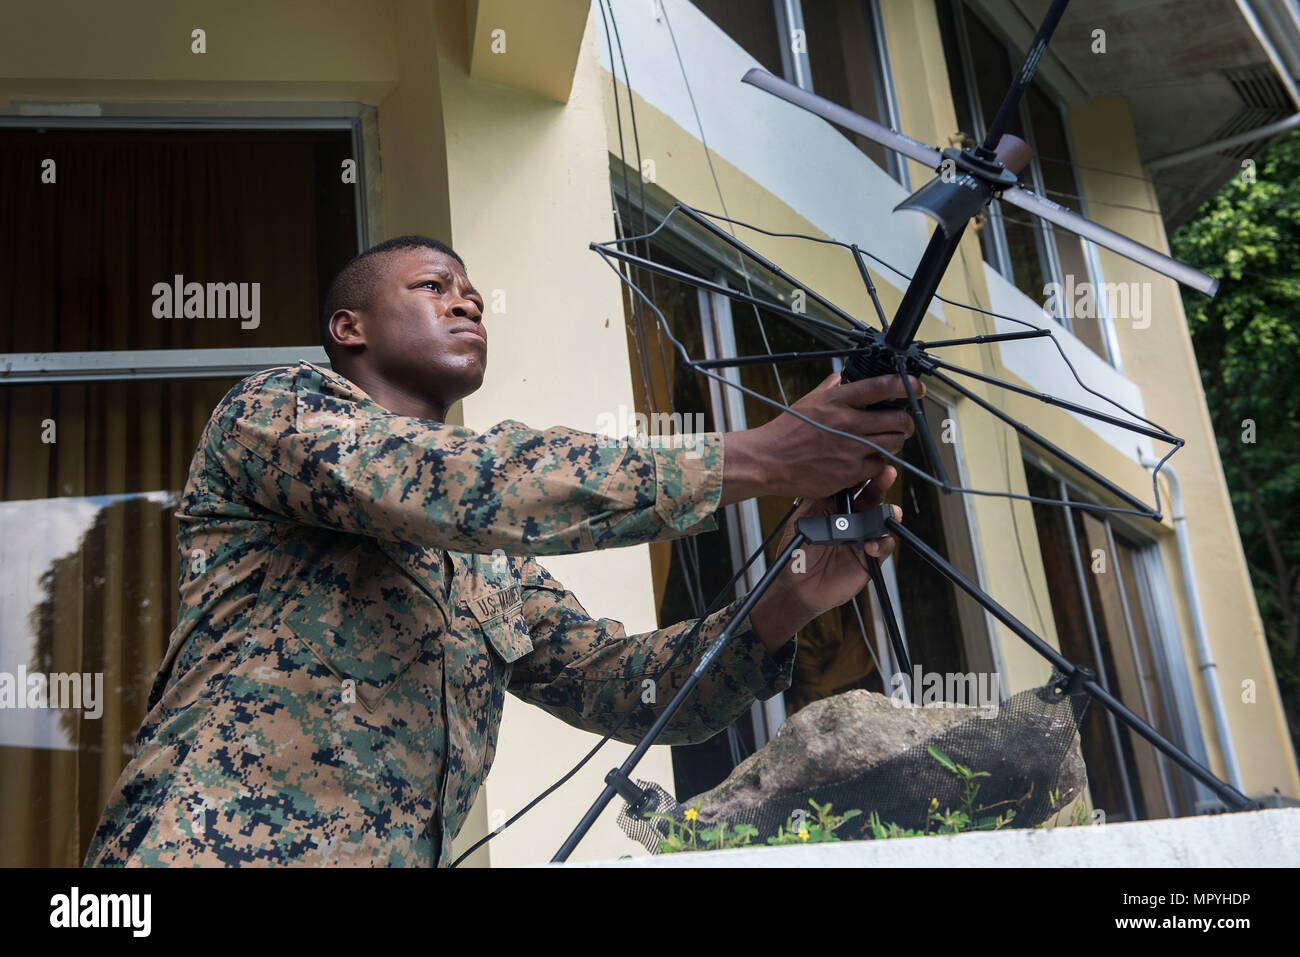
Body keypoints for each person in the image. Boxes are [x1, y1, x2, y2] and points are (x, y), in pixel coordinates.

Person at [84, 235, 920, 867]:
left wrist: (795, 594)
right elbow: (457, 482)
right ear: (349, 326)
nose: (468, 302)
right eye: (434, 287)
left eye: (476, 295)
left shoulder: (486, 568)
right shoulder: (278, 411)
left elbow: (624, 685)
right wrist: (763, 458)